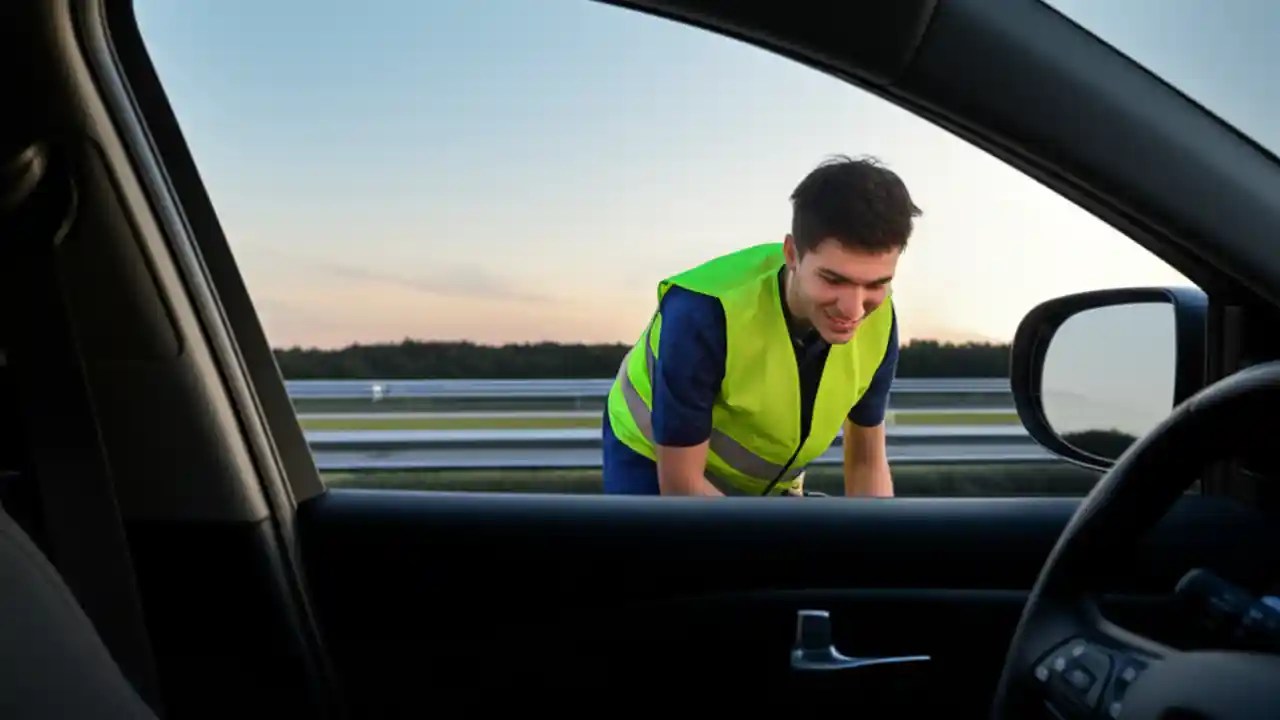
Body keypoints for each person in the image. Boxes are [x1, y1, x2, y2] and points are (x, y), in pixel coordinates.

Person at [602, 155, 920, 497]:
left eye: (876, 284)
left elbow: (866, 464)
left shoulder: (881, 318)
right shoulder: (703, 312)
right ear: (792, 254)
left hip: (770, 479)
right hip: (652, 458)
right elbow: (682, 487)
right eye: (833, 280)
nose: (854, 309)